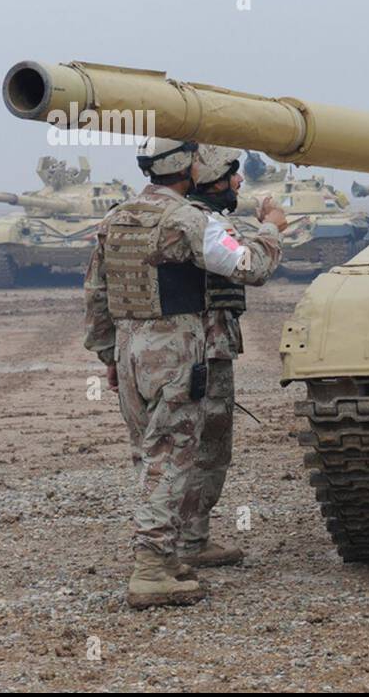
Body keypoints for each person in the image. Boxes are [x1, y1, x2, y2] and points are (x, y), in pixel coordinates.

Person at [84, 138, 286, 609]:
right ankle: (151, 568)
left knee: (150, 454)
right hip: (175, 351)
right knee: (172, 456)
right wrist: (271, 230)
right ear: (187, 172)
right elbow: (249, 266)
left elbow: (96, 291)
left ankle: (170, 554)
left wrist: (110, 356)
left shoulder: (118, 217)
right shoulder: (185, 219)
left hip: (133, 348)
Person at [178, 144, 285, 569]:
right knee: (207, 446)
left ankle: (173, 539)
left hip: (163, 350)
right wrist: (272, 228)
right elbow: (252, 267)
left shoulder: (169, 220)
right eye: (233, 175)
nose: (239, 182)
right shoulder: (204, 226)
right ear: (212, 182)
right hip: (205, 350)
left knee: (165, 445)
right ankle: (188, 541)